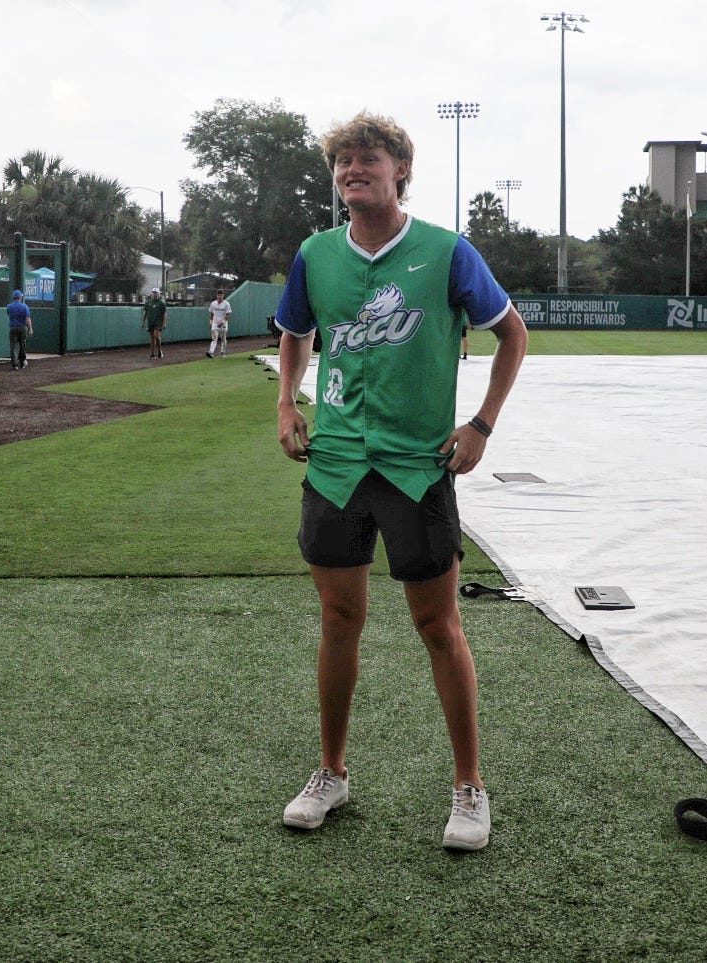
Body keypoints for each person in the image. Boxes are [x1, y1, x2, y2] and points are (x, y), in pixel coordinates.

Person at [273, 111, 527, 852]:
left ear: (400, 171)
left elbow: (511, 333)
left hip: (417, 468)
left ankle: (469, 784)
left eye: (368, 159)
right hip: (334, 465)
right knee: (338, 619)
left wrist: (480, 425)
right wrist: (285, 400)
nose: (352, 171)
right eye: (342, 162)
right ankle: (331, 772)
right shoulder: (316, 253)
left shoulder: (446, 250)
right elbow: (294, 333)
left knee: (438, 626)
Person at [6, 289, 33, 369]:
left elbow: (8, 314)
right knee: (22, 345)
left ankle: (14, 364)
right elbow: (27, 319)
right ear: (20, 297)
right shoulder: (24, 306)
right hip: (22, 328)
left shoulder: (9, 306)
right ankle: (22, 361)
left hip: (13, 328)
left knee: (13, 346)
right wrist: (30, 329)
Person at [141, 287, 167, 359]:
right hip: (150, 322)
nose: (154, 294)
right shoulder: (148, 302)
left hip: (158, 322)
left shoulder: (161, 303)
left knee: (156, 336)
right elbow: (145, 312)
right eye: (153, 292)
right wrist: (143, 322)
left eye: (156, 292)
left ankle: (160, 350)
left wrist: (164, 323)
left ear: (159, 294)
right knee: (152, 338)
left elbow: (164, 313)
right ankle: (152, 354)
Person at [206, 289, 232, 357]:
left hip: (223, 325)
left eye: (221, 295)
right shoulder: (213, 303)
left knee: (223, 340)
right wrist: (211, 321)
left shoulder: (226, 304)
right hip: (215, 324)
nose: (219, 296)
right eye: (218, 295)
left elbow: (228, 315)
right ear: (216, 295)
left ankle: (222, 352)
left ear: (223, 296)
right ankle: (211, 352)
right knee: (214, 339)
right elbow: (211, 313)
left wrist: (222, 322)